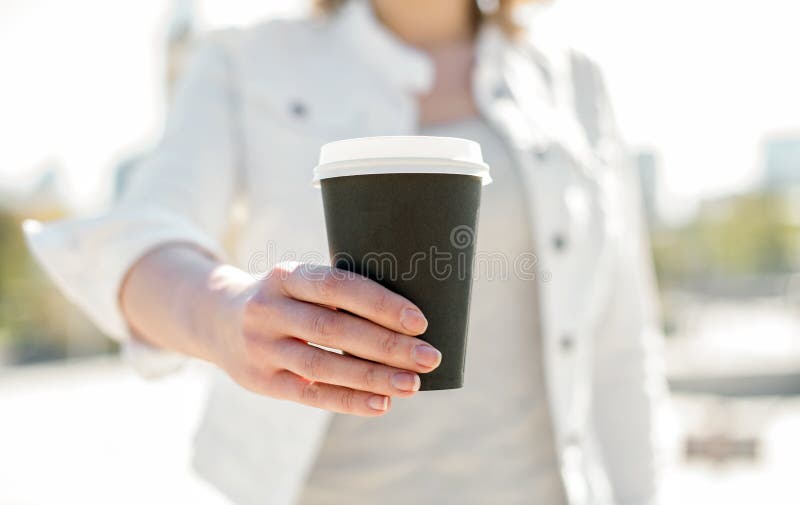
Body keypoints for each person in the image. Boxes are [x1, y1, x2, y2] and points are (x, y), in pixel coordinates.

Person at [24, 0, 669, 504]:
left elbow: (622, 344)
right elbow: (141, 234)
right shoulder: (247, 62)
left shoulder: (577, 85)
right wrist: (221, 313)